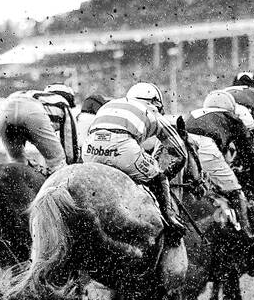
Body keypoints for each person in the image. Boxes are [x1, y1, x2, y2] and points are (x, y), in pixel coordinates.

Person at [81, 82, 188, 243]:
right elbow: (180, 153)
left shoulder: (110, 104)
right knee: (159, 177)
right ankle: (170, 219)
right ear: (154, 101)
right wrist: (166, 175)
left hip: (90, 149)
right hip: (123, 149)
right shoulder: (152, 111)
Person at [184, 90, 254, 239]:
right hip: (205, 147)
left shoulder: (195, 113)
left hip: (183, 147)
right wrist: (250, 166)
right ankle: (246, 232)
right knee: (236, 190)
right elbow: (248, 153)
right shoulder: (232, 118)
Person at [0, 83, 79, 174]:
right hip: (31, 109)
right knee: (57, 163)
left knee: (18, 162)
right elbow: (70, 144)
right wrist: (71, 164)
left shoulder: (39, 97)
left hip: (4, 109)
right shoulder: (63, 103)